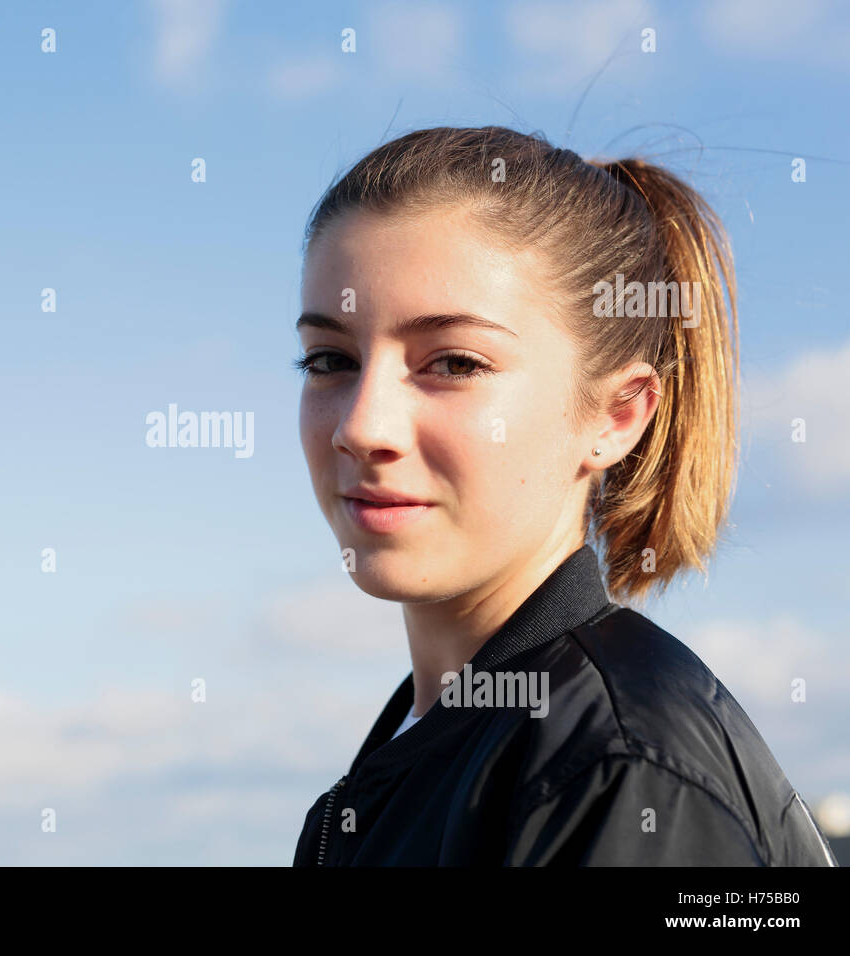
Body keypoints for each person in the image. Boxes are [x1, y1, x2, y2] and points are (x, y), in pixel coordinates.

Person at [290, 125, 838, 866]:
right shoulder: (432, 748)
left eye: (453, 362)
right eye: (331, 359)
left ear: (616, 416)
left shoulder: (619, 770)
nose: (361, 427)